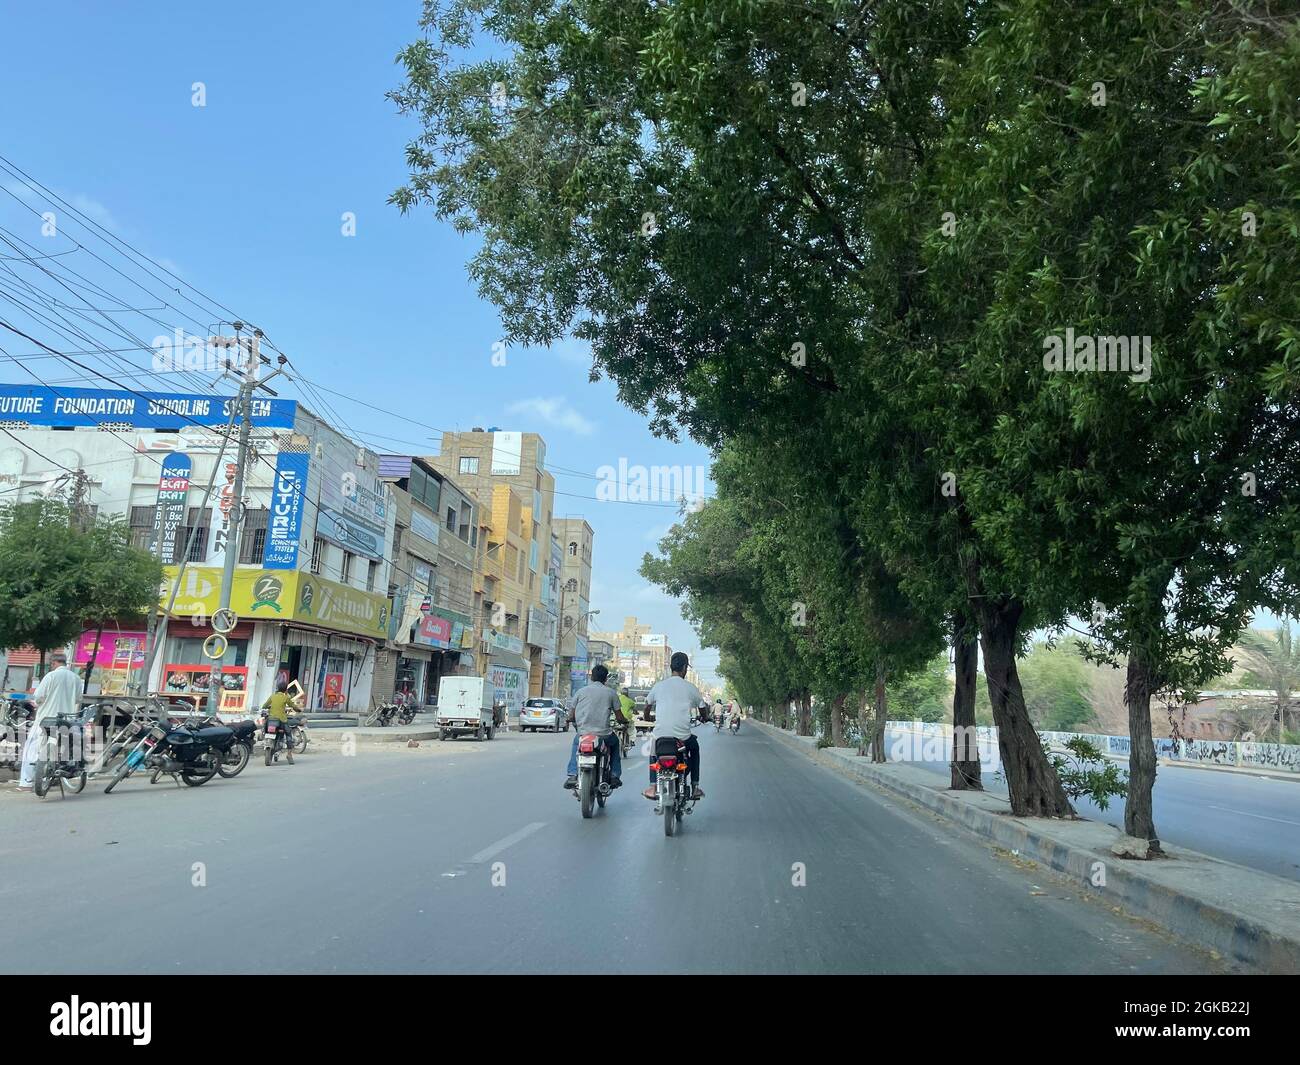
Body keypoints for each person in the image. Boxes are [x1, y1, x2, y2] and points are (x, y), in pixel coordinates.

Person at [643, 651, 707, 801]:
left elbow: (647, 705)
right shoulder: (690, 688)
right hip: (682, 738)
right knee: (695, 749)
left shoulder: (659, 686)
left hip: (661, 737)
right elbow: (702, 707)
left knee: (653, 752)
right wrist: (704, 717)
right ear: (685, 668)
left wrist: (648, 717)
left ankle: (653, 786)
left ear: (671, 667)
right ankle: (695, 786)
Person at [17, 651, 84, 792]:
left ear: (54, 663)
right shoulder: (76, 678)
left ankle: (26, 783)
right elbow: (78, 699)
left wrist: (37, 702)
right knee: (61, 747)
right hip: (67, 720)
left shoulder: (51, 676)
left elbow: (38, 696)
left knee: (32, 747)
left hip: (47, 719)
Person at [563, 664, 628, 790]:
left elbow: (571, 716)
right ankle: (615, 775)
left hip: (584, 734)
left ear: (592, 677)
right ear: (605, 678)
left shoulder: (580, 692)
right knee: (615, 744)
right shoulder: (611, 693)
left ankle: (572, 774)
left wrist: (571, 720)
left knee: (576, 743)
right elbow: (619, 717)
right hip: (604, 734)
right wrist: (625, 722)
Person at [262, 679, 296, 765]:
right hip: (281, 721)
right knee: (288, 734)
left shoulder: (272, 696)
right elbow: (293, 706)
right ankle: (289, 754)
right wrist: (298, 709)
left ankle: (264, 739)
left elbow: (264, 705)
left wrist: (270, 707)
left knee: (264, 730)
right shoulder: (286, 697)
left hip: (271, 720)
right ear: (285, 690)